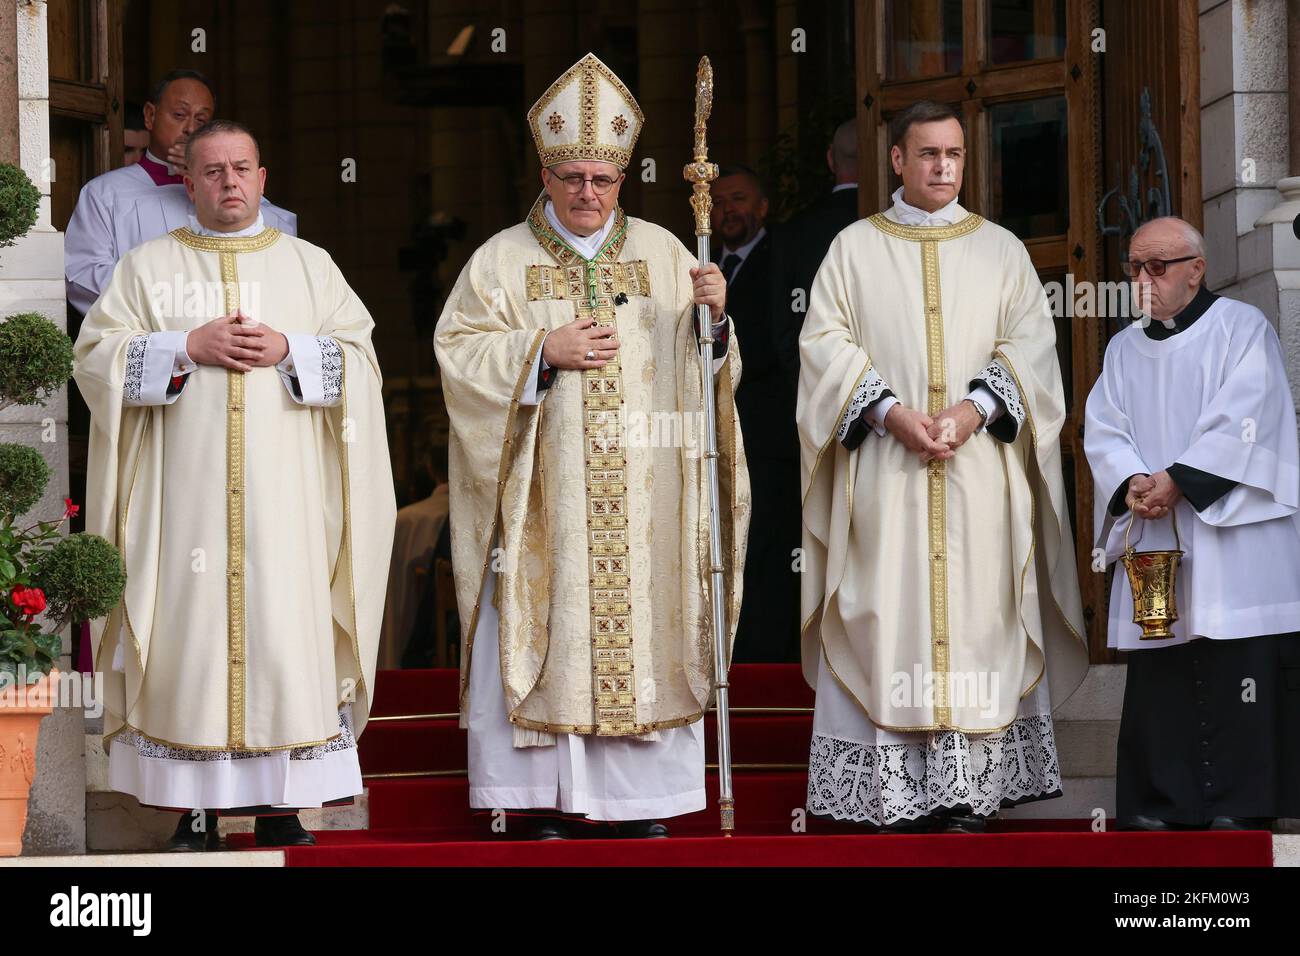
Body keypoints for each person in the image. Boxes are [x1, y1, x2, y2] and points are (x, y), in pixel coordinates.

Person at [434, 52, 750, 840]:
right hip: (548, 504)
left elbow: (713, 374)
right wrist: (540, 352)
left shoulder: (671, 253)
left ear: (622, 181)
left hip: (650, 501)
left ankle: (643, 802)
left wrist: (714, 321)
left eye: (601, 180)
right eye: (571, 177)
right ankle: (543, 801)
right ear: (544, 174)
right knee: (554, 625)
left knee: (647, 625)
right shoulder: (499, 263)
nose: (586, 193)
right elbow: (459, 356)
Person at [73, 119, 395, 850]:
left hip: (288, 504)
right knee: (194, 642)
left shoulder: (311, 267)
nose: (228, 183)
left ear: (262, 177)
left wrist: (290, 350)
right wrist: (185, 346)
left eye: (241, 169)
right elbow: (95, 358)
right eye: (212, 171)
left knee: (287, 637)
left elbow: (361, 364)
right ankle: (194, 811)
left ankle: (285, 806)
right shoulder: (147, 268)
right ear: (187, 182)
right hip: (183, 508)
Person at [797, 100, 1089, 832]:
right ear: (897, 160)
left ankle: (967, 793)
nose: (943, 168)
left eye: (954, 155)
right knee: (885, 614)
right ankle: (892, 793)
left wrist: (971, 411)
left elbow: (1032, 348)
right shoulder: (854, 249)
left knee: (976, 619)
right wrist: (891, 413)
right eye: (928, 154)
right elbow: (824, 345)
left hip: (977, 475)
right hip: (887, 479)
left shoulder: (1000, 251)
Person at [1084, 215, 1300, 831]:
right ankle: (1163, 802)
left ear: (1196, 270)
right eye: (1134, 268)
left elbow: (1246, 417)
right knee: (1163, 672)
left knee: (1239, 671)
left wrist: (1179, 481)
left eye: (1158, 267)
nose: (1143, 281)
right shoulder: (1124, 346)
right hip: (1156, 530)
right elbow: (1104, 428)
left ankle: (1239, 805)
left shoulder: (1241, 328)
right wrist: (1133, 483)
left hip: (1233, 536)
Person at [65, 69, 296, 315]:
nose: (190, 128)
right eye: (179, 115)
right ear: (150, 115)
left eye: (201, 120)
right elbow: (82, 274)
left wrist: (202, 169)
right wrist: (172, 306)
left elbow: (279, 248)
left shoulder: (236, 189)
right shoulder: (104, 193)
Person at [710, 165, 798, 661]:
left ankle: (766, 664)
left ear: (762, 207)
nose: (728, 210)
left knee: (767, 550)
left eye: (739, 199)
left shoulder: (781, 257)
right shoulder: (698, 262)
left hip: (769, 437)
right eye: (719, 202)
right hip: (713, 436)